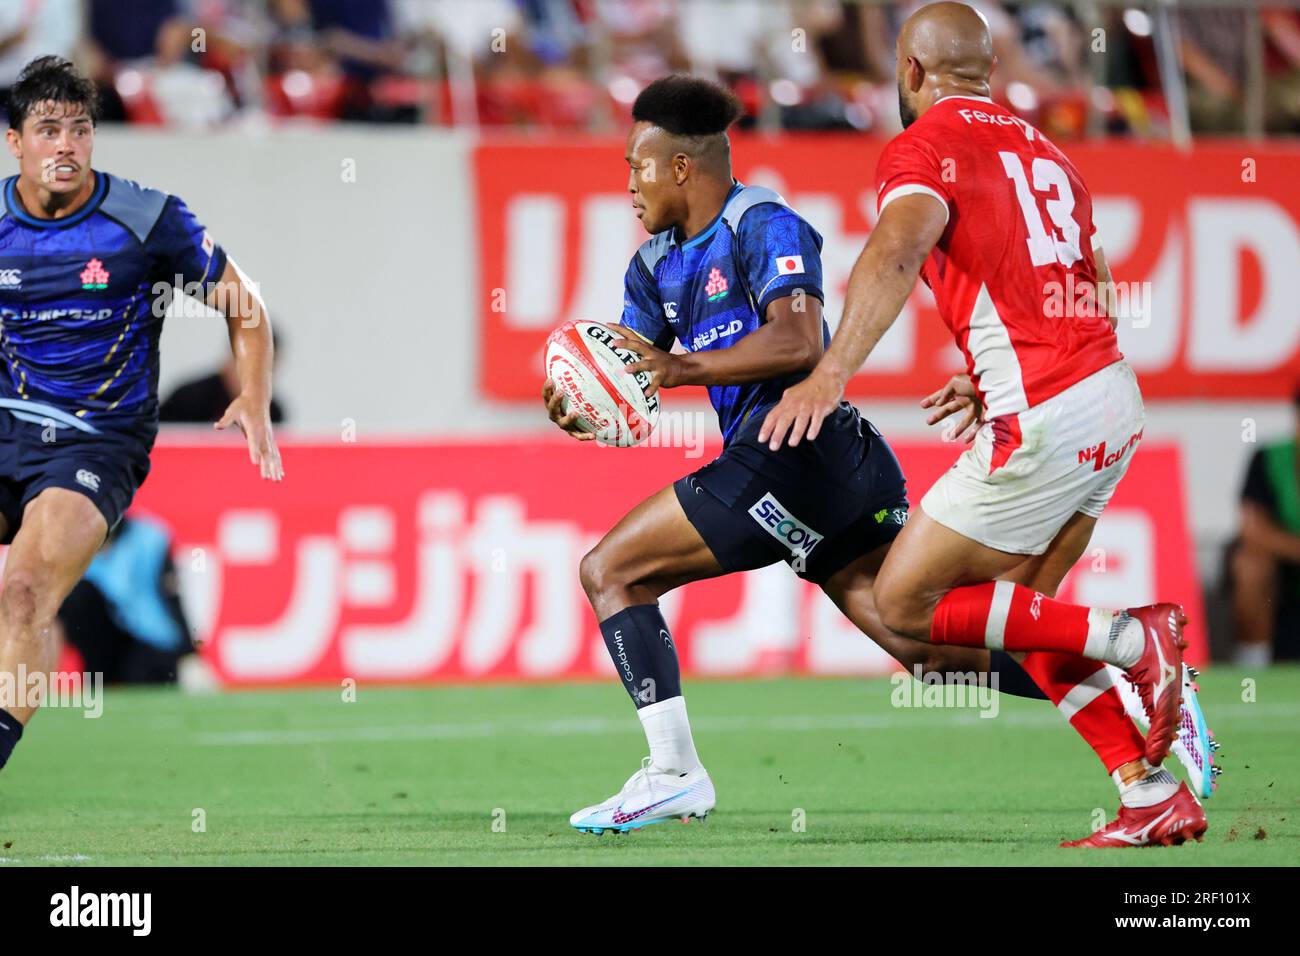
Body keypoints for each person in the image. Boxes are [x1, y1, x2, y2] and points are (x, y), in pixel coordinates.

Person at [540, 73, 1206, 838]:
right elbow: (636, 367)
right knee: (926, 649)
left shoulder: (763, 225)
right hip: (829, 472)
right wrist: (587, 400)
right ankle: (1139, 706)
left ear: (681, 167)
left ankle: (673, 773)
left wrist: (680, 370)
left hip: (795, 455)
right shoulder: (653, 266)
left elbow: (797, 340)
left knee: (610, 570)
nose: (629, 182)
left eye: (639, 165)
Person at [760, 2, 1209, 847]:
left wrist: (830, 372)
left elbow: (896, 251)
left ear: (911, 70)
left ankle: (1132, 637)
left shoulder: (923, 146)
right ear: (989, 73)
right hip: (1110, 395)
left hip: (1045, 409)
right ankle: (1147, 792)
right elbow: (1096, 287)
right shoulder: (1049, 154)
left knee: (902, 600)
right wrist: (987, 368)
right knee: (1020, 613)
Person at [0, 56, 283, 773]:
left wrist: (251, 396)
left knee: (26, 589)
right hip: (6, 424)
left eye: (80, 129)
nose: (65, 144)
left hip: (97, 443)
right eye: (47, 129)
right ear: (15, 142)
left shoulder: (147, 219)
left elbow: (245, 308)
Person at [1230, 384, 1300, 665]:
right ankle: (1254, 664)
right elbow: (1252, 529)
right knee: (1250, 565)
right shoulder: (1269, 459)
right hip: (1284, 578)